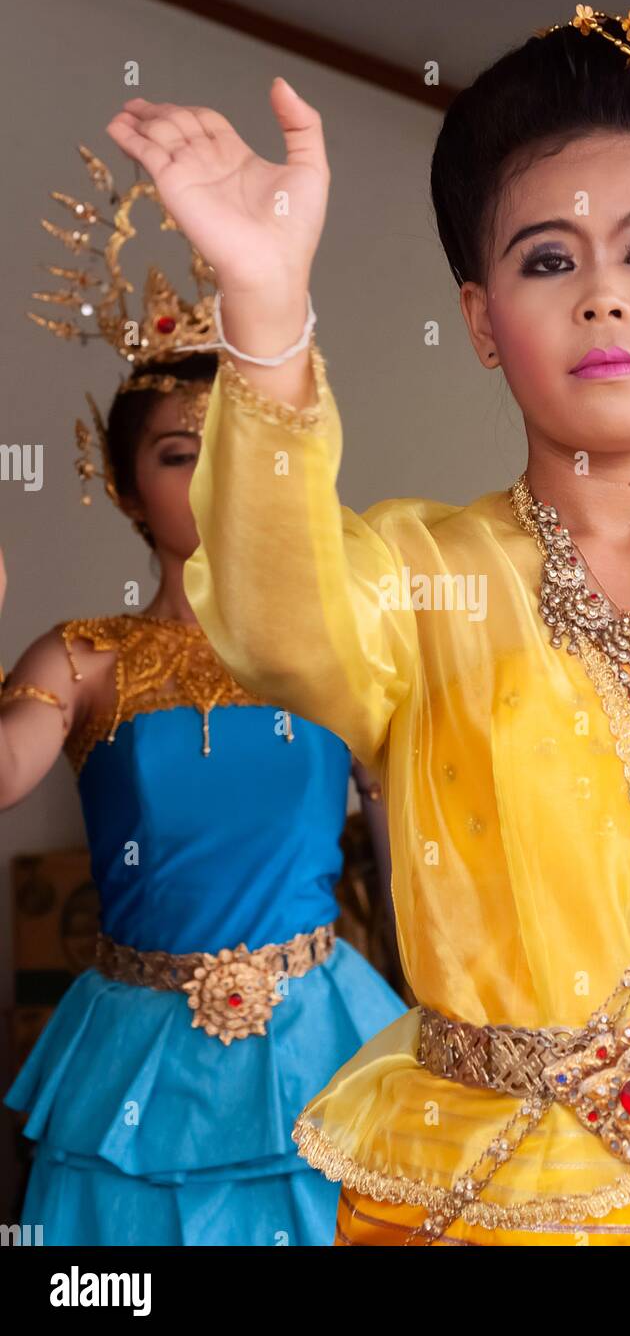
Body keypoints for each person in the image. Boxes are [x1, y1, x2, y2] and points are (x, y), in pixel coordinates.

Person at [105, 0, 630, 1246]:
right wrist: (267, 306)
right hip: (478, 1200)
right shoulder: (415, 573)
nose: (601, 293)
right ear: (478, 318)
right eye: (545, 258)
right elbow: (280, 622)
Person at [0, 151, 407, 1245]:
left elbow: (425, 834)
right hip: (136, 1045)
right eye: (183, 452)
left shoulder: (346, 641)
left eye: (239, 444)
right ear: (125, 483)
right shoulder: (80, 657)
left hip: (326, 1032)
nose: (220, 472)